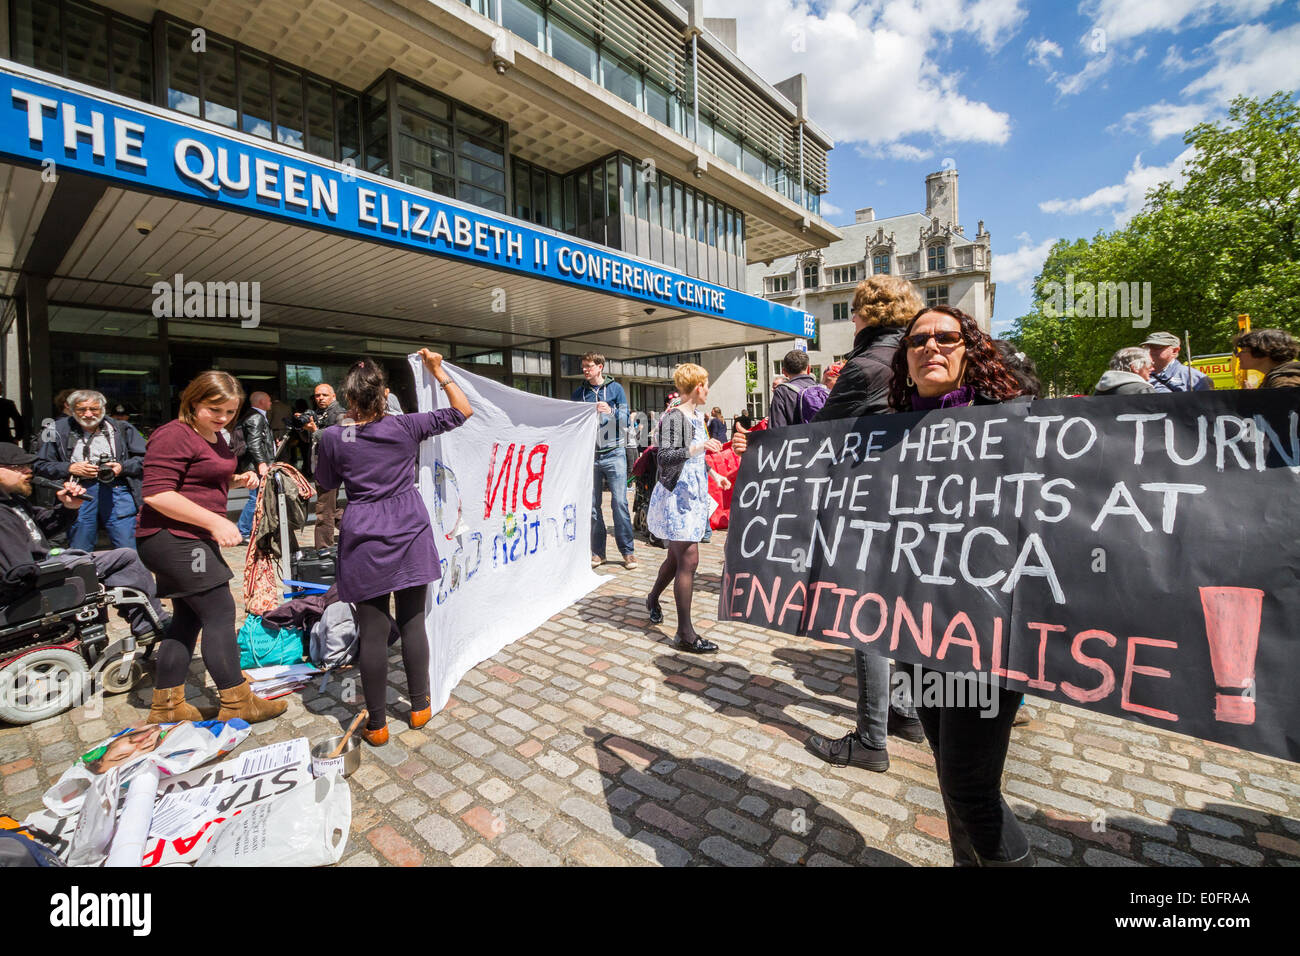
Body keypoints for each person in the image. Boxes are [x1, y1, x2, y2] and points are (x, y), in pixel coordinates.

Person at [885, 304, 1033, 866]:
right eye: (918, 340)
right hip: (918, 630)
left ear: (969, 349)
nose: (931, 348)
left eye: (946, 338)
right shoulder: (886, 430)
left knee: (972, 786)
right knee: (949, 774)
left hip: (989, 633)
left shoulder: (1013, 419)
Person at [314, 352, 471, 745]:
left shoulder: (335, 436)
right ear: (384, 394)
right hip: (409, 528)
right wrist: (437, 371)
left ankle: (378, 724)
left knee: (372, 631)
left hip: (364, 531)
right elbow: (462, 410)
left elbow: (326, 483)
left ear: (349, 399)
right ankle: (419, 707)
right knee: (413, 621)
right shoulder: (406, 426)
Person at [806, 275, 927, 771]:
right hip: (918, 503)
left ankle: (871, 739)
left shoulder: (870, 363)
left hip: (870, 502)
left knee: (868, 615)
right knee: (904, 608)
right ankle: (907, 713)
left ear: (866, 316)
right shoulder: (922, 355)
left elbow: (818, 435)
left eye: (853, 312)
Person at [136, 371, 276, 725]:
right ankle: (238, 701)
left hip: (187, 538)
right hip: (174, 538)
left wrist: (233, 478)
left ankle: (167, 705)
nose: (223, 418)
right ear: (193, 401)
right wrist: (216, 521)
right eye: (215, 409)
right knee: (219, 613)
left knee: (187, 618)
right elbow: (157, 492)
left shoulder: (214, 435)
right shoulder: (173, 434)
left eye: (230, 412)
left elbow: (195, 476)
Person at [0, 442, 167, 640]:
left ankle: (149, 625)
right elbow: (17, 573)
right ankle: (156, 624)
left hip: (43, 567)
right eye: (19, 467)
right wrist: (62, 564)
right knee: (122, 560)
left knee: (126, 557)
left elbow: (43, 527)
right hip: (36, 578)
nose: (29, 471)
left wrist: (68, 507)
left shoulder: (13, 501)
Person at [643, 363, 722, 654]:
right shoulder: (676, 417)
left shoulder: (697, 416)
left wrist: (715, 475)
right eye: (706, 384)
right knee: (689, 560)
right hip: (677, 498)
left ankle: (652, 598)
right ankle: (685, 634)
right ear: (697, 386)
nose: (708, 389)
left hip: (692, 495)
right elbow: (665, 458)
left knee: (677, 560)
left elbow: (696, 459)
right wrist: (699, 449)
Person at [35, 389, 147, 551]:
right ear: (71, 409)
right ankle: (84, 575)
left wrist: (122, 467)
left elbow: (145, 459)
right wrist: (70, 468)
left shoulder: (122, 428)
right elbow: (39, 465)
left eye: (94, 409)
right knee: (80, 546)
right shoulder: (55, 429)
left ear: (103, 409)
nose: (88, 414)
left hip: (116, 490)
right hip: (78, 492)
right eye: (81, 410)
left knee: (127, 546)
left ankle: (130, 575)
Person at [572, 352, 636, 570]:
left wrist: (612, 410)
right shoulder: (579, 393)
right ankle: (598, 553)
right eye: (583, 366)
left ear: (600, 367)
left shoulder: (616, 389)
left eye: (589, 366)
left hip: (614, 453)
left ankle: (628, 552)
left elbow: (627, 418)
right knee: (592, 507)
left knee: (619, 503)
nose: (585, 370)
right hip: (589, 456)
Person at [303, 383, 347, 547]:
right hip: (321, 465)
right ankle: (357, 531)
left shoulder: (342, 414)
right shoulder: (319, 414)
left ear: (333, 396)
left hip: (331, 467)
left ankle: (323, 548)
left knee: (323, 509)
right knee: (331, 509)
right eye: (317, 396)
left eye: (324, 395)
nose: (320, 398)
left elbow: (348, 438)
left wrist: (315, 431)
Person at [235, 391, 275, 544]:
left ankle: (251, 529)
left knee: (258, 497)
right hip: (256, 465)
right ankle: (242, 530)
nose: (271, 403)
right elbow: (254, 443)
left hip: (255, 464)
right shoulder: (256, 417)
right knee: (256, 498)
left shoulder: (254, 415)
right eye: (269, 400)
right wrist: (261, 462)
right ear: (261, 402)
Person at [769, 350, 828, 428]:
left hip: (796, 439)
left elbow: (777, 428)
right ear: (809, 369)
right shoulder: (823, 390)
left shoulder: (782, 391)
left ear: (784, 371)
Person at [1142, 331, 1212, 393]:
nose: (1149, 350)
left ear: (1175, 351)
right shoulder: (1139, 375)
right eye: (1147, 347)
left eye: (1156, 346)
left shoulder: (1195, 378)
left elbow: (1207, 405)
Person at [1234, 328, 1300, 388]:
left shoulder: (1285, 383)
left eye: (1243, 351)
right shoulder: (1281, 378)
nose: (1237, 355)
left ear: (1264, 351)